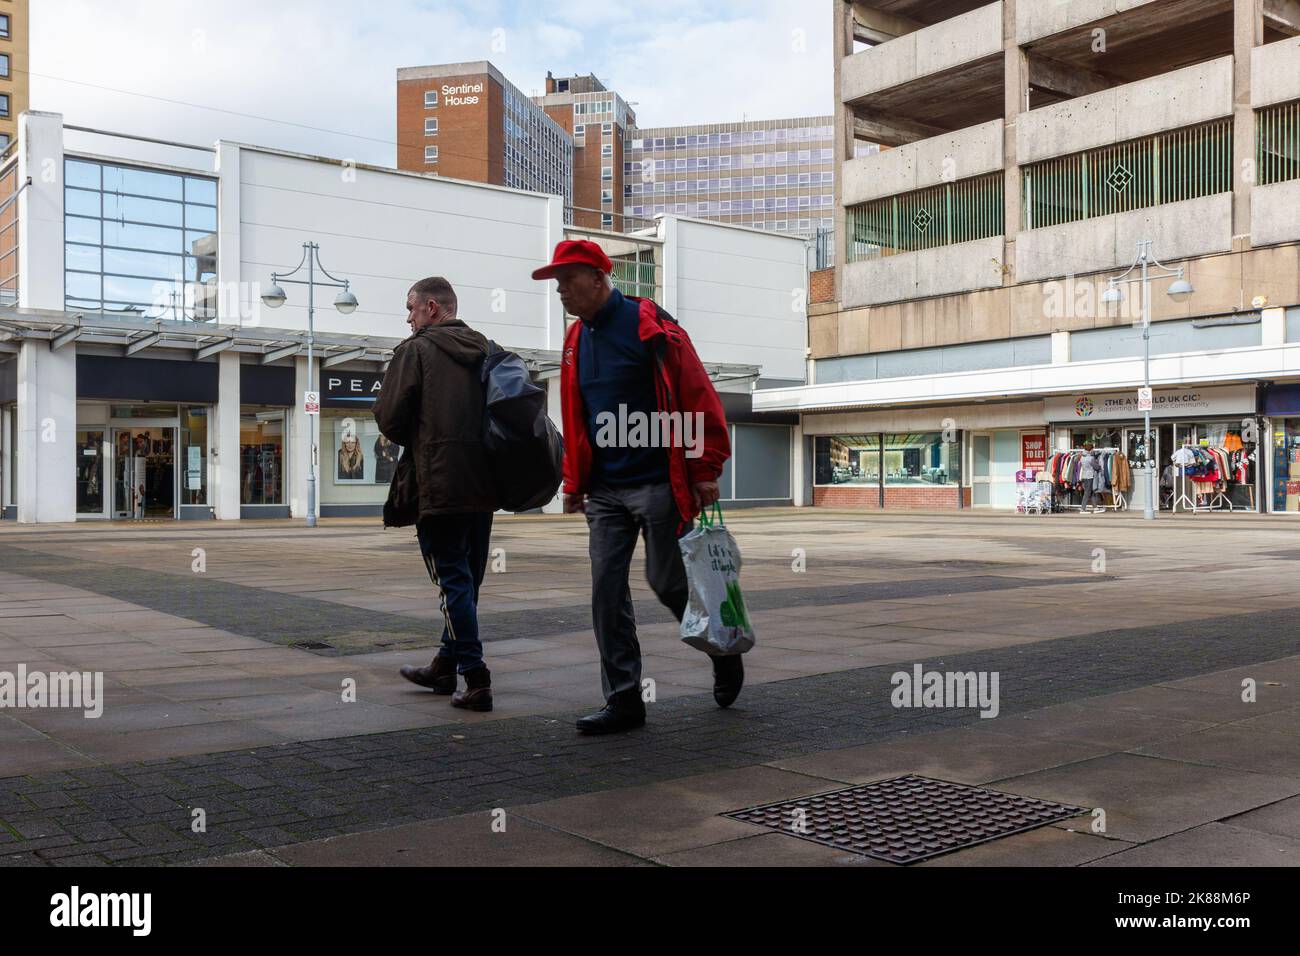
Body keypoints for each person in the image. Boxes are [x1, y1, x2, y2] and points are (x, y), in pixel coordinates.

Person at [532, 239, 736, 736]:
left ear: (599, 278)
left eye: (568, 280)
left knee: (667, 583)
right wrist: (576, 482)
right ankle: (624, 700)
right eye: (556, 283)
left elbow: (695, 393)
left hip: (658, 482)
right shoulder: (576, 338)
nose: (560, 291)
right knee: (606, 592)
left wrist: (705, 467)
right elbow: (578, 415)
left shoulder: (651, 324)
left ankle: (722, 649)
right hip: (605, 490)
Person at [374, 277, 499, 711]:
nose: (408, 318)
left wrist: (424, 431)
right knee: (467, 579)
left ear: (430, 307)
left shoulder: (417, 350)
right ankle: (445, 666)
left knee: (451, 582)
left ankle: (476, 677)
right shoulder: (485, 348)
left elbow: (390, 417)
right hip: (483, 486)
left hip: (439, 484)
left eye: (410, 309)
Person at [1078, 443, 1101, 514]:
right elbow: (1096, 467)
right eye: (1092, 449)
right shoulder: (1091, 458)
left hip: (1084, 476)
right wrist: (1099, 464)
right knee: (1087, 493)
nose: (1093, 450)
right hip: (1089, 476)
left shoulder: (1082, 457)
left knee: (1090, 492)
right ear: (1090, 450)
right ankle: (1082, 509)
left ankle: (1095, 507)